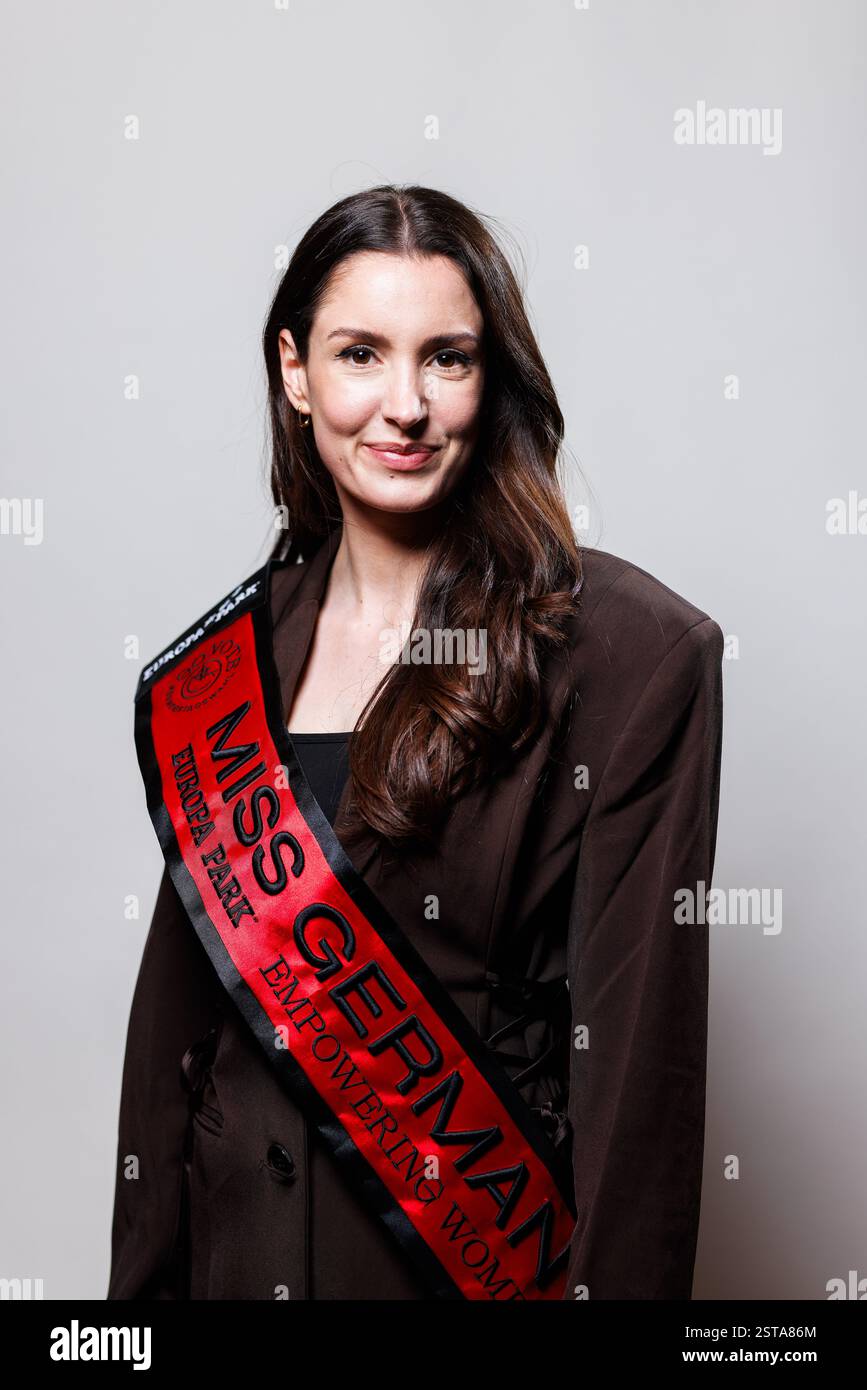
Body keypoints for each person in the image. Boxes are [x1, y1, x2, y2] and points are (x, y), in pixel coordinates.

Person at [107, 183, 724, 1301]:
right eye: (359, 354)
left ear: (493, 383)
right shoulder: (227, 667)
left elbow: (643, 1091)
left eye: (446, 358)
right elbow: (169, 1053)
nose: (405, 405)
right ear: (294, 372)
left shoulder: (632, 657)